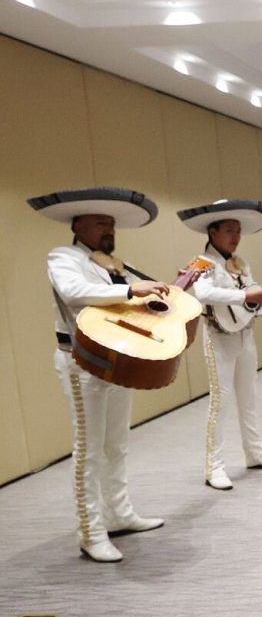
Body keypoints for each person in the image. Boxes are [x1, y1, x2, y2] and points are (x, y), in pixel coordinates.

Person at [29, 187, 175, 562]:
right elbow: (74, 291)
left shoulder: (115, 265)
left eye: (111, 223)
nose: (109, 229)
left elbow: (123, 304)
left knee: (117, 443)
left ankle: (119, 513)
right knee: (89, 448)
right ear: (78, 226)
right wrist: (130, 290)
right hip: (81, 362)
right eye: (100, 223)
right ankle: (90, 530)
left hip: (117, 359)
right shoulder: (63, 256)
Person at [181, 199, 262, 490]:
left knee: (249, 397)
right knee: (220, 402)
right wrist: (244, 297)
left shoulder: (240, 263)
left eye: (238, 231)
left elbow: (254, 295)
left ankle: (255, 451)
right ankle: (214, 466)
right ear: (212, 231)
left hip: (245, 333)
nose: (236, 236)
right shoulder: (201, 262)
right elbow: (204, 294)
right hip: (218, 337)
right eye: (229, 230)